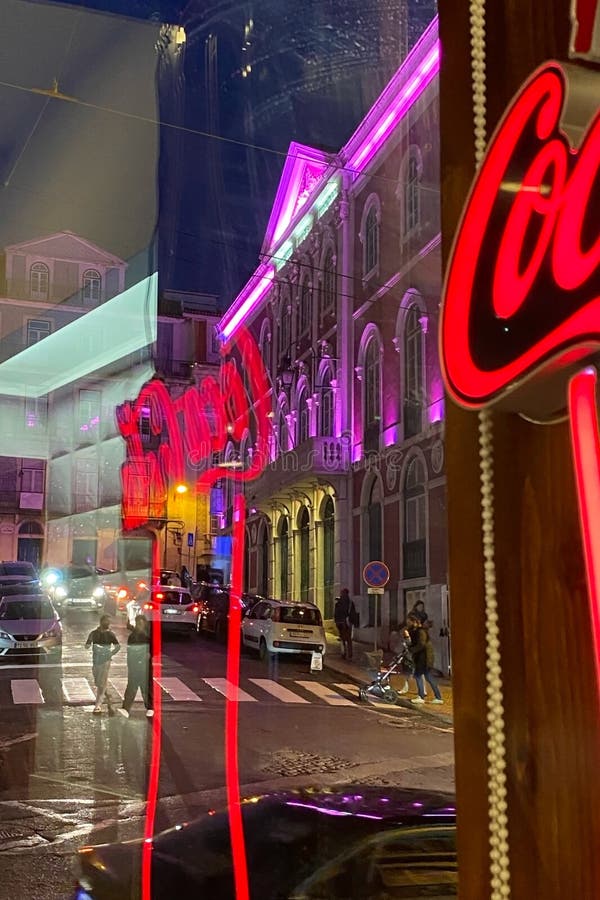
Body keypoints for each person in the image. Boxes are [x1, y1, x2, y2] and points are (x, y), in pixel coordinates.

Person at [119, 614, 153, 719]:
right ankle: (125, 708)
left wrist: (148, 654)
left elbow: (153, 650)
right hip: (134, 665)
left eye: (141, 623)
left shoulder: (148, 637)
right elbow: (130, 651)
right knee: (131, 687)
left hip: (145, 666)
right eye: (138, 623)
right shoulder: (133, 636)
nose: (139, 626)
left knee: (146, 687)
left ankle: (150, 707)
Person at [85, 614, 120, 715]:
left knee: (101, 684)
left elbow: (118, 646)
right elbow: (87, 646)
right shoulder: (93, 633)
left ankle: (98, 706)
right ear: (101, 622)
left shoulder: (111, 634)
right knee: (98, 682)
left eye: (109, 622)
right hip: (96, 661)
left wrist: (110, 654)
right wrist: (89, 643)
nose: (108, 623)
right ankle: (109, 698)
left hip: (105, 661)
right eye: (106, 621)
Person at [406, 614, 443, 705]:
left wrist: (412, 650)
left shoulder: (421, 632)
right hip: (423, 657)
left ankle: (422, 696)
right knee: (427, 676)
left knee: (419, 675)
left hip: (424, 658)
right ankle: (437, 697)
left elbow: (421, 644)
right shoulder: (417, 631)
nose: (408, 623)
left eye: (409, 622)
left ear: (415, 622)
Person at [334, 588, 358, 660]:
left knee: (342, 639)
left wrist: (337, 622)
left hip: (341, 623)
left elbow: (336, 614)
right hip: (348, 623)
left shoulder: (338, 603)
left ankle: (343, 653)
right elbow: (353, 614)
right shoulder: (350, 603)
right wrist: (353, 622)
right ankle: (349, 654)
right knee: (349, 639)